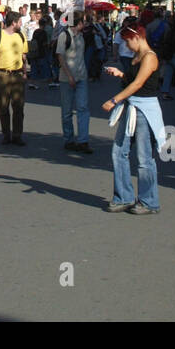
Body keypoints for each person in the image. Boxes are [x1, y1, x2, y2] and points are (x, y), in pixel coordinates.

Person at [102, 24, 163, 214]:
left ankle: (149, 201)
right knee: (118, 152)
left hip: (145, 109)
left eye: (128, 41)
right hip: (132, 107)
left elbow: (138, 83)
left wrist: (114, 100)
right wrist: (120, 74)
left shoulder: (150, 57)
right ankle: (124, 197)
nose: (127, 45)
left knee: (144, 158)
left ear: (138, 38)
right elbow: (132, 79)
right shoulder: (137, 57)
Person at [0, 11, 29, 146]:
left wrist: (25, 72)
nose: (21, 24)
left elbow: (23, 56)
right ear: (14, 23)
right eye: (20, 22)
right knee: (4, 106)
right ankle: (6, 135)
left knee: (19, 107)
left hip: (17, 75)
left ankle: (17, 135)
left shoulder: (21, 36)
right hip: (2, 74)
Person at [57, 12, 93, 154]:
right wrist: (69, 75)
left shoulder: (81, 36)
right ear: (78, 23)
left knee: (83, 108)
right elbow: (60, 56)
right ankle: (69, 139)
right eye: (83, 22)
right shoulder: (64, 36)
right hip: (67, 78)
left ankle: (83, 141)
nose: (84, 24)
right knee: (67, 111)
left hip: (81, 76)